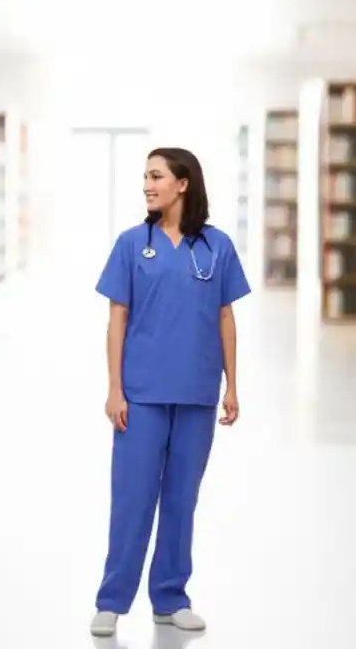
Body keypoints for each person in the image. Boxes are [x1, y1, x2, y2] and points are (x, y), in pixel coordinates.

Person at [89, 147, 251, 638]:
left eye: (156, 176)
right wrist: (115, 389)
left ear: (183, 183)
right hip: (141, 395)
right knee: (133, 499)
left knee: (182, 500)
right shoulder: (131, 245)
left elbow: (226, 317)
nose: (146, 184)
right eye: (144, 176)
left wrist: (232, 385)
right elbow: (116, 320)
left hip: (197, 394)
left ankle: (171, 597)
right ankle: (112, 601)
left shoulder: (217, 247)